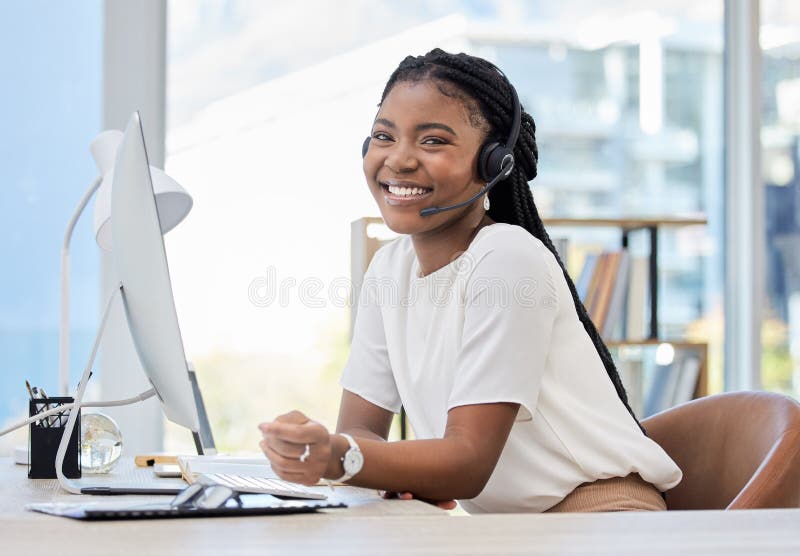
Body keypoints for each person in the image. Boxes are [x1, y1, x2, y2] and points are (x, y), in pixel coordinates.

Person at [259, 48, 682, 513]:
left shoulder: (508, 259)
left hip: (600, 518)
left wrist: (338, 456)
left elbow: (467, 463)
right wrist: (346, 456)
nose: (398, 160)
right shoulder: (388, 269)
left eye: (433, 141)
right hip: (512, 530)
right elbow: (361, 432)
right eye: (383, 136)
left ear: (493, 163)